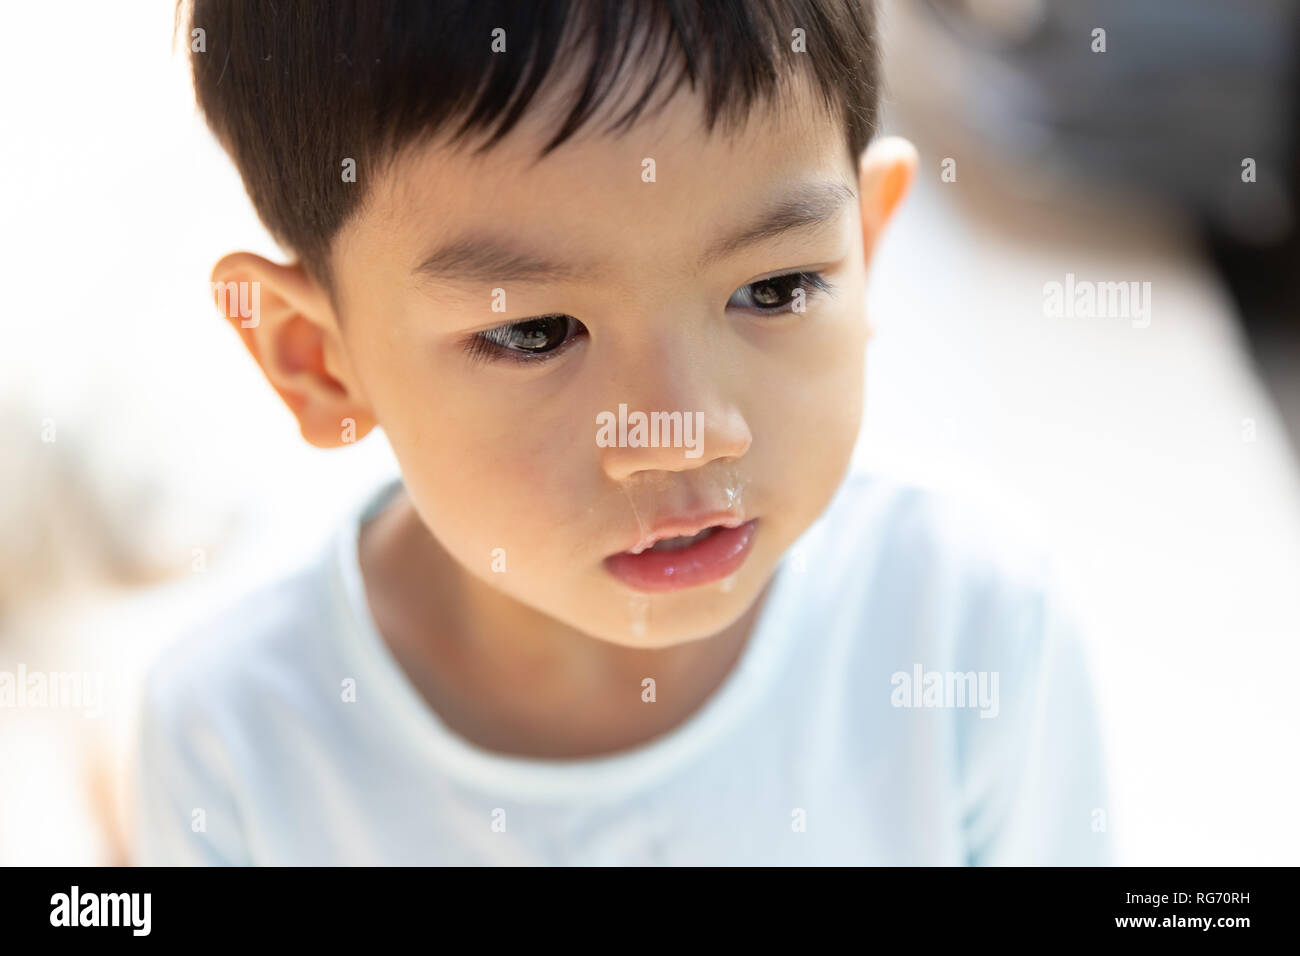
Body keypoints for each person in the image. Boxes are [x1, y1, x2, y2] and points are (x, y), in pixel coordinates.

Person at [134, 0, 1112, 865]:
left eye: (772, 287)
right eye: (534, 332)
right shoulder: (238, 741)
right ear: (316, 358)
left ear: (863, 245)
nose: (685, 433)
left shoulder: (969, 631)